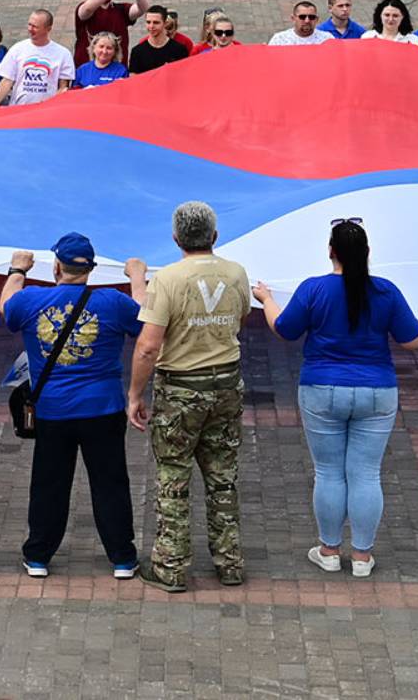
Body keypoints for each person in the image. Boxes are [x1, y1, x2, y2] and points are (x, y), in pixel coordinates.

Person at [254, 220, 418, 576]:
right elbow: (413, 341)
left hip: (321, 389)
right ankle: (362, 557)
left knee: (329, 472)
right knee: (365, 474)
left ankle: (329, 551)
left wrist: (267, 299)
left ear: (331, 251)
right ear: (368, 253)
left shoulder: (314, 290)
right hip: (377, 391)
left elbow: (284, 329)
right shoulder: (385, 291)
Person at [2, 233, 144, 579]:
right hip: (103, 408)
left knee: (49, 483)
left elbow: (6, 305)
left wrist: (17, 270)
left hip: (53, 410)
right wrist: (137, 277)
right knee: (110, 483)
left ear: (55, 267)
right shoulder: (112, 303)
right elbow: (146, 317)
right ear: (91, 270)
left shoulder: (32, 300)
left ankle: (38, 555)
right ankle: (122, 557)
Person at [126, 202, 250, 592]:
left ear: (176, 239)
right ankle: (229, 562)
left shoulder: (169, 280)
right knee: (222, 476)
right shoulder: (235, 273)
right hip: (226, 384)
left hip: (181, 388)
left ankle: (172, 565)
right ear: (214, 236)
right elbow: (240, 316)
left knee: (173, 476)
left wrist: (134, 394)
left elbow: (148, 346)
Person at [0, 9, 76, 105]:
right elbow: (7, 80)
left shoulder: (63, 54)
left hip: (47, 111)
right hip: (19, 109)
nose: (30, 29)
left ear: (48, 29)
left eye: (35, 27)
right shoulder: (17, 48)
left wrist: (51, 104)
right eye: (29, 24)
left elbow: (63, 87)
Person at [73, 0, 149, 62]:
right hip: (87, 68)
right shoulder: (85, 7)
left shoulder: (122, 9)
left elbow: (144, 9)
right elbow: (87, 9)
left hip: (116, 68)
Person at [127, 7, 190, 74]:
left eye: (156, 22)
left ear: (165, 23)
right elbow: (133, 79)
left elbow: (184, 76)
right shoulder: (137, 52)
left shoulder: (179, 50)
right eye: (148, 22)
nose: (151, 26)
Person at [267, 0, 332, 47]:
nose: (307, 20)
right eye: (302, 17)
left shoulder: (327, 39)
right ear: (293, 18)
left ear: (317, 19)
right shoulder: (279, 40)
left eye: (311, 17)